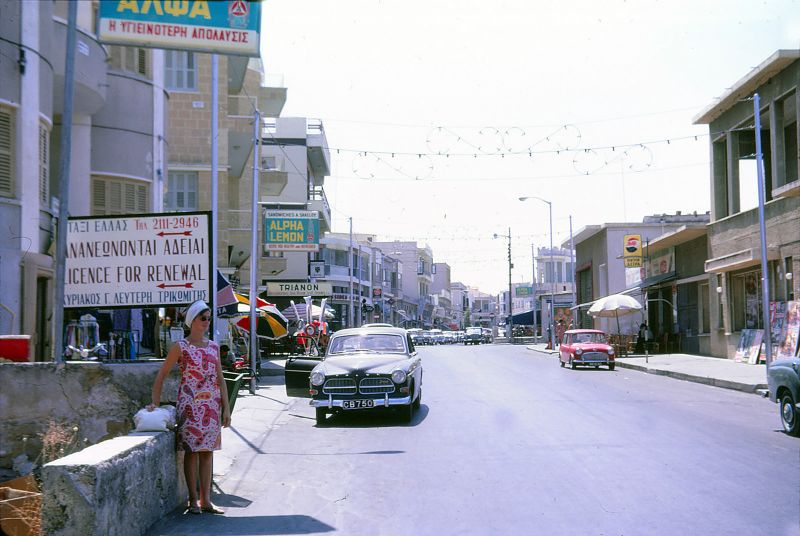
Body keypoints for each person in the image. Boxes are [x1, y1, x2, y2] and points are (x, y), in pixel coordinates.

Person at [148, 300, 231, 515]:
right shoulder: (180, 347)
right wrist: (155, 403)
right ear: (192, 321)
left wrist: (226, 408)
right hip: (190, 406)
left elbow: (220, 379)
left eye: (208, 318)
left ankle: (206, 500)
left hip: (211, 406)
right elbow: (162, 374)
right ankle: (193, 501)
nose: (207, 322)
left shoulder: (213, 346)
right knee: (191, 452)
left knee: (207, 453)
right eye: (203, 318)